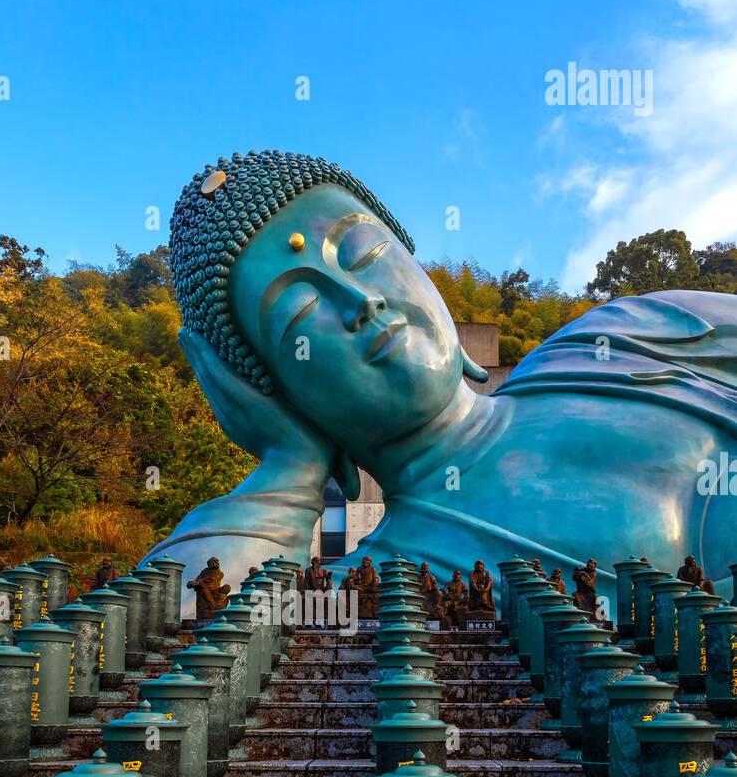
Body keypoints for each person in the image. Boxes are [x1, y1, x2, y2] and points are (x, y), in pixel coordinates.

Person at [140, 149, 737, 611]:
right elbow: (184, 624)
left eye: (365, 253)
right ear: (271, 393)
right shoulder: (381, 584)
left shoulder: (633, 337)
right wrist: (288, 466)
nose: (360, 301)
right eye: (299, 314)